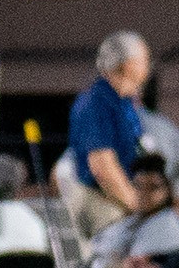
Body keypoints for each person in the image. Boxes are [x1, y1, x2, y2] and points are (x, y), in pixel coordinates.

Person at [66, 31, 153, 242]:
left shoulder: (123, 100)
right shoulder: (97, 102)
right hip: (103, 202)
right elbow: (102, 166)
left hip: (116, 201)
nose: (148, 66)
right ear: (128, 64)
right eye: (144, 60)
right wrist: (136, 205)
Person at [87, 153, 179, 266]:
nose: (144, 193)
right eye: (138, 186)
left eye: (153, 187)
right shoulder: (132, 219)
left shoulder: (168, 227)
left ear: (168, 191)